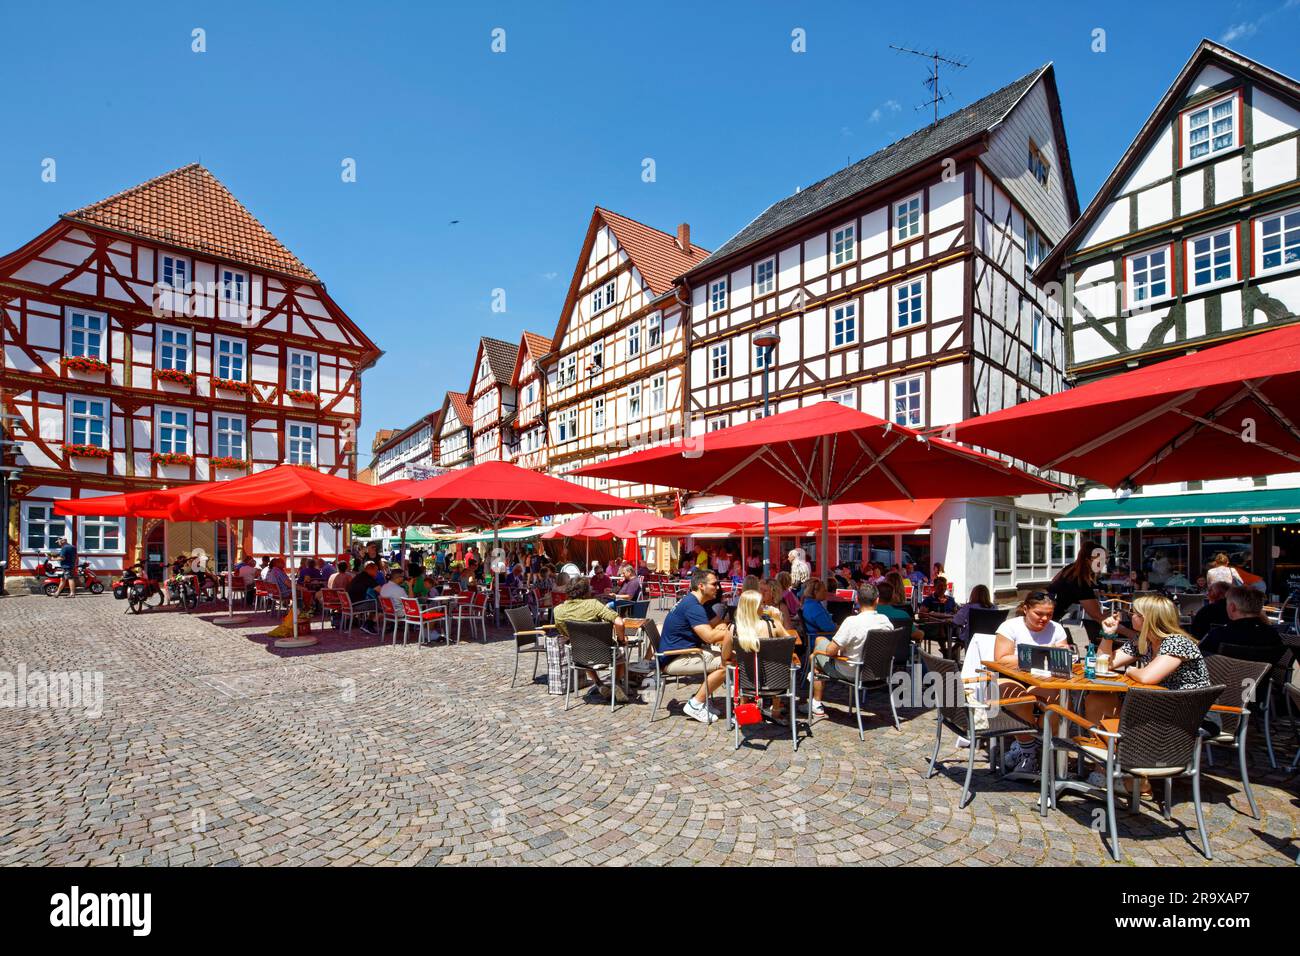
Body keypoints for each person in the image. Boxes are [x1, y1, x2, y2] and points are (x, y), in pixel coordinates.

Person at [992, 591, 1071, 775]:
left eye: (1049, 615)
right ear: (1026, 609)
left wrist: (1062, 654)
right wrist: (1042, 653)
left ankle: (1027, 746)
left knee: (1061, 705)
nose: (1044, 619)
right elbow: (1001, 659)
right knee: (1021, 699)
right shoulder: (1010, 626)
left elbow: (1064, 656)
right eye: (1039, 614)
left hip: (1045, 679)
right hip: (1012, 677)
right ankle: (1029, 754)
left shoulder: (1056, 628)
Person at [808, 583, 894, 717]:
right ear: (877, 600)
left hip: (852, 671)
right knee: (821, 645)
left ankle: (816, 702)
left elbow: (830, 651)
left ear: (857, 601)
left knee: (816, 654)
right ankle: (815, 701)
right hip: (878, 671)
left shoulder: (852, 622)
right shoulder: (886, 622)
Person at [659, 568, 733, 724]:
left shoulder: (694, 602)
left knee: (727, 658)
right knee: (727, 664)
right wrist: (733, 631)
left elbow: (716, 626)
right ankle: (695, 704)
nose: (718, 588)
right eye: (714, 584)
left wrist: (722, 629)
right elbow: (710, 636)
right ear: (701, 585)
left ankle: (701, 700)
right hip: (674, 658)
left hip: (677, 653)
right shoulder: (694, 607)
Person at [1107, 594, 1210, 690]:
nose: (1130, 616)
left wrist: (1130, 670)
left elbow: (1147, 677)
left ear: (1146, 618)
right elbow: (1106, 663)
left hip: (1184, 703)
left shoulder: (1177, 642)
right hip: (1157, 697)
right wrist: (1108, 634)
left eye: (1133, 612)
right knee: (1102, 696)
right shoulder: (1144, 639)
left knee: (1105, 698)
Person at [554, 576, 629, 703]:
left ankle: (599, 684)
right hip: (604, 654)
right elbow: (619, 623)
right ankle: (616, 683)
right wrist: (621, 640)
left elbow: (564, 633)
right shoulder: (593, 605)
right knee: (621, 650)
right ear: (586, 591)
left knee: (583, 646)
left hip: (579, 655)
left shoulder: (558, 610)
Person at [1047, 544, 1134, 651]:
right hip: (1046, 619)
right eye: (1101, 559)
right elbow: (1098, 616)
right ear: (1088, 559)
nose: (1105, 562)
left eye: (1106, 558)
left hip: (1049, 617)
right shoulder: (1080, 580)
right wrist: (1132, 634)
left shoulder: (1071, 569)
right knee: (1069, 654)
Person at [730, 588, 796, 723]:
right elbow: (789, 644)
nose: (764, 607)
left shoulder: (734, 629)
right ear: (756, 607)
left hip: (747, 683)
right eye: (761, 604)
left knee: (739, 664)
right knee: (776, 660)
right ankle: (776, 711)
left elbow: (725, 655)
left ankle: (743, 707)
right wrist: (777, 619)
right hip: (776, 684)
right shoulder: (773, 625)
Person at [1198, 586, 1283, 659]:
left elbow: (1196, 661)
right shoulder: (1272, 635)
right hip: (1260, 677)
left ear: (1232, 607)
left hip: (1224, 677)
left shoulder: (1219, 634)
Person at [346, 561, 381, 634]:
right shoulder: (367, 577)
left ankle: (367, 624)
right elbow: (381, 590)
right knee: (381, 605)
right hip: (356, 605)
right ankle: (369, 625)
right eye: (376, 570)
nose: (377, 573)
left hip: (350, 604)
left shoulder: (360, 576)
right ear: (370, 569)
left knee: (375, 603)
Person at [800, 579, 837, 645]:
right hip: (821, 641)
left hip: (816, 639)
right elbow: (829, 628)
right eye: (824, 591)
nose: (826, 592)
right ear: (815, 592)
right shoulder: (815, 608)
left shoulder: (808, 604)